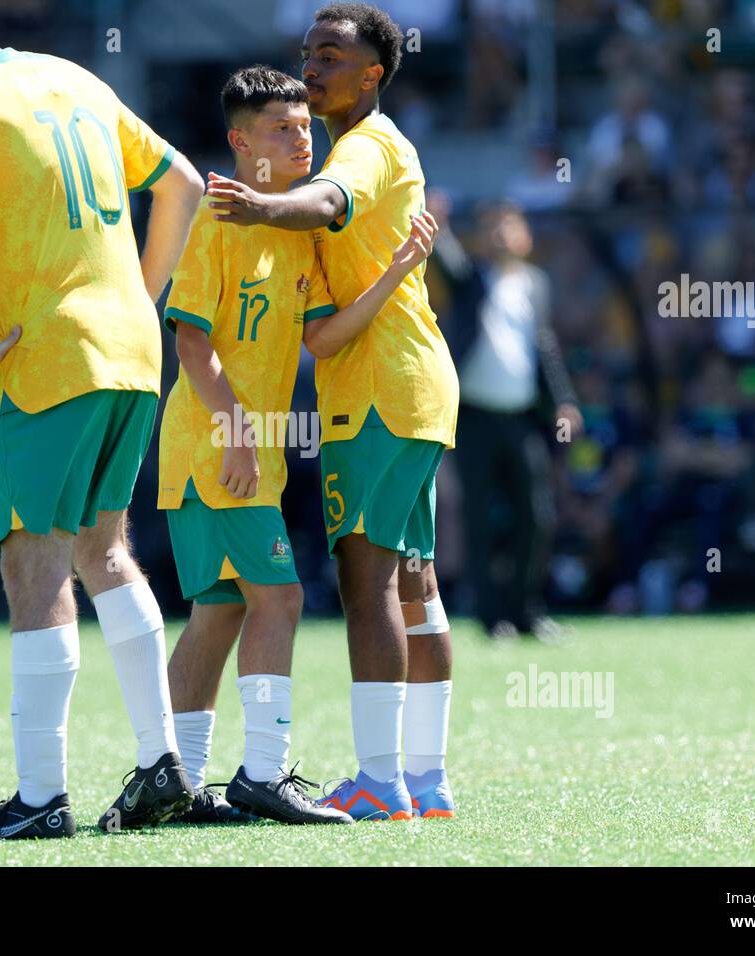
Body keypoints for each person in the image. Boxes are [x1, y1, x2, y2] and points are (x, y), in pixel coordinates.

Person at [0, 0, 205, 839]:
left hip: (48, 358)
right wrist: (141, 296)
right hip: (130, 352)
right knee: (105, 547)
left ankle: (39, 797)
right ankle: (162, 766)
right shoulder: (72, 76)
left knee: (36, 564)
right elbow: (185, 183)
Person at [160, 65, 435, 826]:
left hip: (241, 454)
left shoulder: (298, 233)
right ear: (239, 142)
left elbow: (321, 337)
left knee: (217, 612)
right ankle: (263, 774)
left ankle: (173, 776)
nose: (301, 137)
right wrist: (237, 429)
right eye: (282, 128)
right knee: (279, 598)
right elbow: (190, 344)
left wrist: (393, 274)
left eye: (305, 126)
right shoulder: (215, 218)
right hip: (215, 446)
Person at [456, 204, 580, 639]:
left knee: (537, 513)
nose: (501, 236)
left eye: (508, 227)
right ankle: (491, 617)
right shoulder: (471, 279)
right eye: (491, 228)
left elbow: (545, 348)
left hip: (522, 417)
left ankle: (527, 610)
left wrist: (563, 400)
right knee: (479, 516)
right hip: (474, 416)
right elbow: (445, 259)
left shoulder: (534, 285)